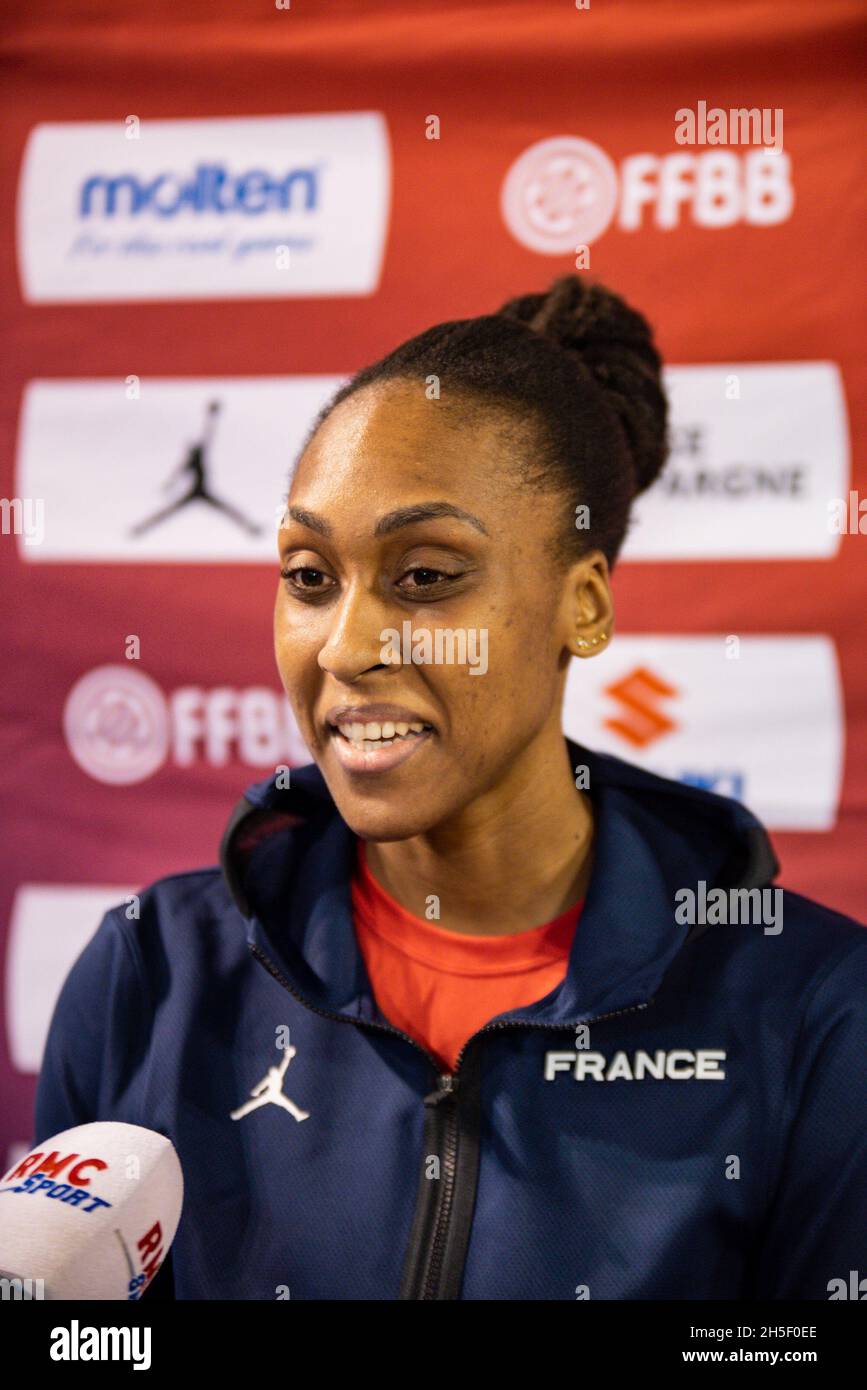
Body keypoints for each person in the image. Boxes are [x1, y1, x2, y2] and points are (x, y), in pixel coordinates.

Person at [34, 276, 867, 1300]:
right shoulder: (149, 978)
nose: (346, 645)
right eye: (307, 575)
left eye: (425, 576)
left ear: (585, 606)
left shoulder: (817, 1012)